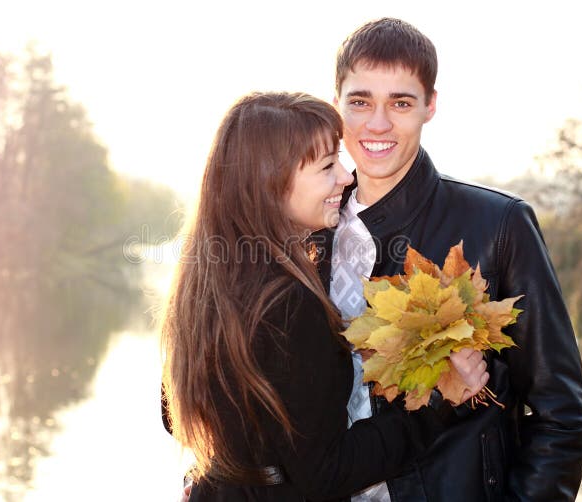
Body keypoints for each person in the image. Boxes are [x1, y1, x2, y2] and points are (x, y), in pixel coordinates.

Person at [161, 92, 489, 501]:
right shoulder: (289, 304)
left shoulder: (205, 281)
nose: (346, 177)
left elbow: (175, 414)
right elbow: (326, 473)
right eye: (327, 166)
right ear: (273, 184)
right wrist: (438, 401)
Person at [315, 18, 582, 501]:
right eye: (360, 101)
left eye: (400, 102)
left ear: (430, 106)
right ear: (336, 102)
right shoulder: (306, 231)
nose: (377, 124)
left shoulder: (497, 226)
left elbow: (560, 414)